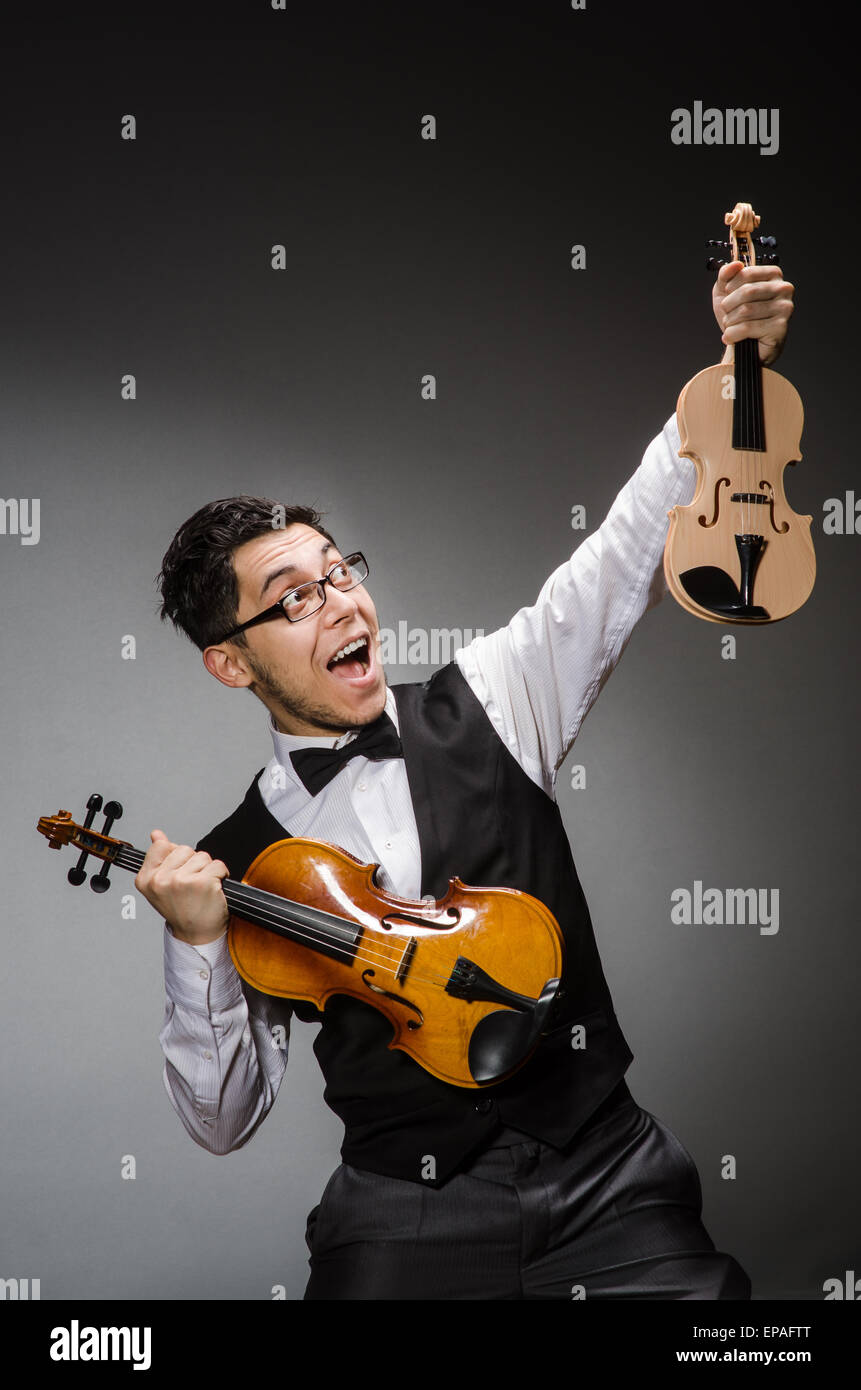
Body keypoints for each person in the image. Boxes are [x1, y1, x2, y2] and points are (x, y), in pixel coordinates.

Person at [136, 259, 794, 1299]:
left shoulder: (493, 693)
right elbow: (223, 1121)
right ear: (231, 660)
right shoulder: (238, 863)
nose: (344, 604)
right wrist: (197, 939)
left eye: (340, 570)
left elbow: (622, 557)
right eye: (294, 598)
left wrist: (726, 376)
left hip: (606, 1176)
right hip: (404, 1212)